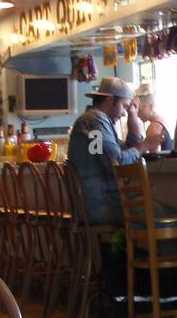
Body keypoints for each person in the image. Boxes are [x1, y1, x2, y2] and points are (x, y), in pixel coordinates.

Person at [67, 77, 161, 225]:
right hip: (103, 207)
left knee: (155, 209)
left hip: (89, 207)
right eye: (124, 106)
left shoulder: (91, 123)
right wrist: (145, 145)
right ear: (110, 100)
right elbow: (117, 162)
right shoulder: (95, 122)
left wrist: (133, 115)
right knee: (162, 213)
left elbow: (126, 150)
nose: (124, 113)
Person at [133, 82, 173, 151]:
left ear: (151, 106)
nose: (137, 114)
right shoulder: (162, 120)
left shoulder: (153, 127)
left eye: (140, 109)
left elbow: (155, 158)